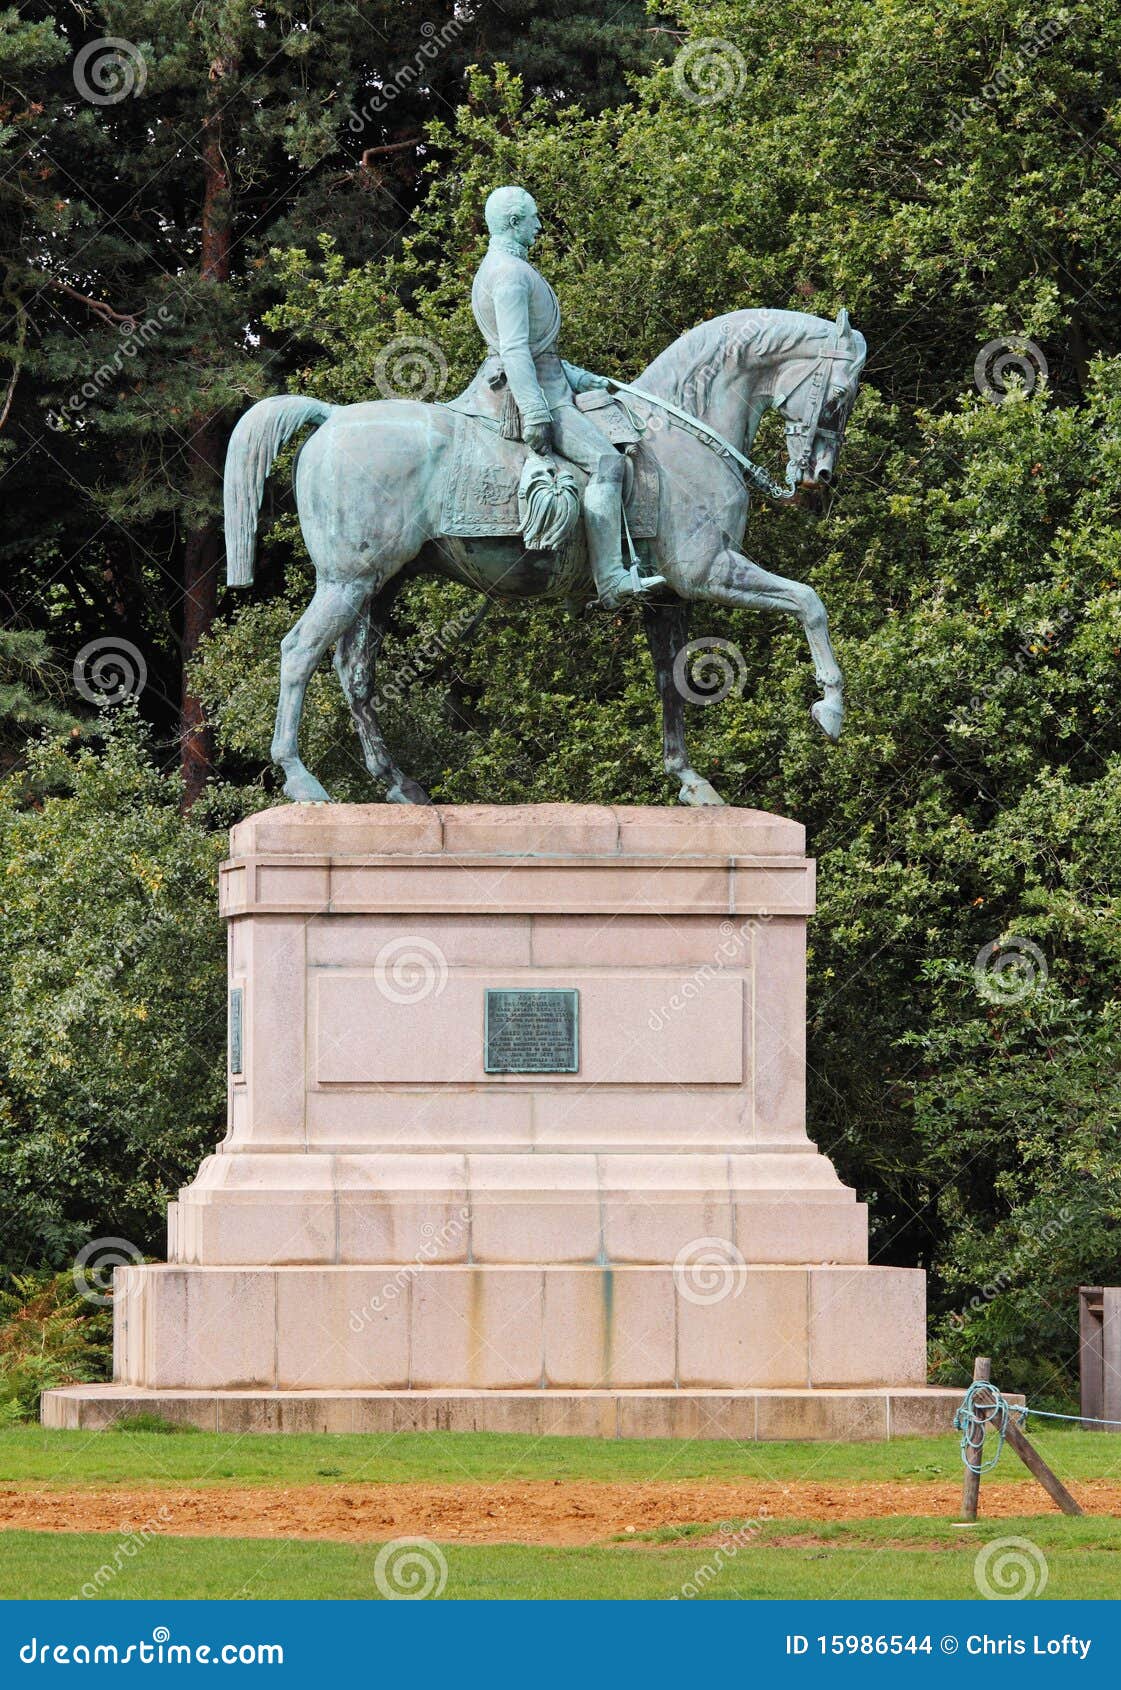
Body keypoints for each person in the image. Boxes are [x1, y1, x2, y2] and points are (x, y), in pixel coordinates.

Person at [447, 185, 664, 607]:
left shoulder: (506, 268)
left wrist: (584, 379)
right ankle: (611, 578)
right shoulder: (508, 274)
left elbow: (538, 353)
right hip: (538, 394)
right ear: (514, 222)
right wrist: (535, 411)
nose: (539, 225)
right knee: (607, 462)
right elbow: (514, 351)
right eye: (533, 218)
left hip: (555, 383)